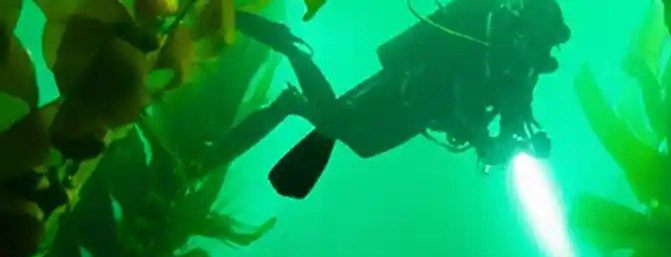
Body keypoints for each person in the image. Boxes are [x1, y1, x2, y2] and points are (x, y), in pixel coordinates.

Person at [201, 0, 570, 198]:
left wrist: (517, 144)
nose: (541, 47)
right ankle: (291, 51)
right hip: (407, 86)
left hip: (424, 112)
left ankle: (294, 102)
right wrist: (480, 134)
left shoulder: (524, 69)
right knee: (337, 120)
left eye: (548, 43)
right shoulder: (488, 28)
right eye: (543, 36)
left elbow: (515, 113)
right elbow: (458, 77)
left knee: (362, 144)